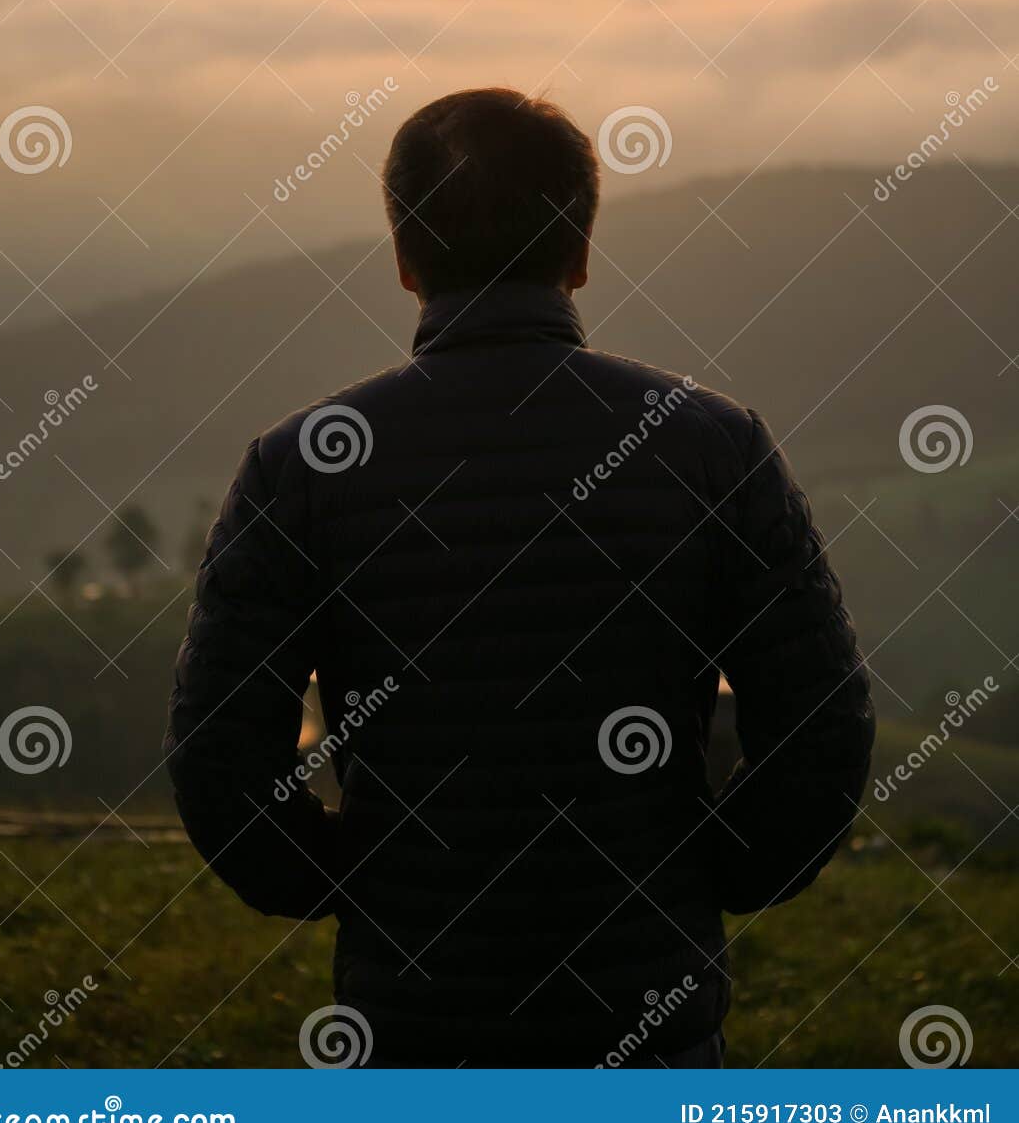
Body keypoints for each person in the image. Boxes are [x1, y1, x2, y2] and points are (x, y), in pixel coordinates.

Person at [164, 87, 873, 1068]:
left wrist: (353, 878)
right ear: (578, 254)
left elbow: (219, 764)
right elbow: (821, 729)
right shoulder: (710, 448)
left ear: (405, 260)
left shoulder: (302, 468)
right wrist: (702, 870)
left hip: (410, 1033)